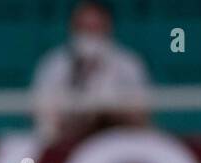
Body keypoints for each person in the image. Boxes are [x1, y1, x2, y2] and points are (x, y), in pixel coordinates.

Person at [31, 1, 150, 144]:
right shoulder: (54, 64)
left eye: (95, 28)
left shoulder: (128, 63)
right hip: (67, 142)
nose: (90, 35)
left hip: (118, 139)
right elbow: (42, 115)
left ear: (108, 27)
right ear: (73, 28)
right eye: (84, 28)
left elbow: (141, 113)